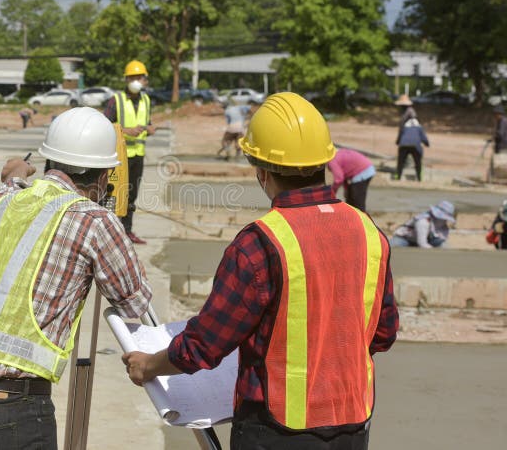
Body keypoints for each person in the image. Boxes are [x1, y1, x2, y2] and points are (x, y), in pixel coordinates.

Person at [123, 92, 398, 450]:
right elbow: (383, 334)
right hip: (353, 427)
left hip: (276, 432)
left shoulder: (260, 243)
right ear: (324, 162)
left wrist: (148, 366)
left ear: (262, 171)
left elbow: (204, 345)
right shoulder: (369, 233)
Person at [0, 107, 152, 450]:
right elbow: (134, 300)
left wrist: (19, 172)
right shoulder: (94, 220)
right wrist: (112, 224)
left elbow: (9, 180)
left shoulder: (5, 200)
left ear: (51, 161)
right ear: (102, 177)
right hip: (14, 409)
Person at [103, 59, 156, 245]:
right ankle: (109, 232)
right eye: (132, 77)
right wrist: (125, 131)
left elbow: (147, 122)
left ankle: (126, 231)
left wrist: (150, 128)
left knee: (131, 195)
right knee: (114, 194)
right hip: (119, 157)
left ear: (145, 80)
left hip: (138, 154)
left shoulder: (147, 100)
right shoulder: (115, 100)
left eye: (138, 77)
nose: (135, 80)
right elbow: (103, 125)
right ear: (126, 80)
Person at [391, 200, 456, 248]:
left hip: (427, 241)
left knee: (444, 246)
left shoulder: (441, 225)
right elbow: (422, 243)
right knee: (390, 248)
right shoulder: (423, 221)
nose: (445, 220)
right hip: (405, 239)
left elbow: (442, 238)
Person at [395, 115, 429, 181]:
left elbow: (399, 139)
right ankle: (419, 179)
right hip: (415, 146)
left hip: (403, 145)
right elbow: (424, 139)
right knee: (418, 163)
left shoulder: (404, 127)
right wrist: (427, 144)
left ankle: (397, 177)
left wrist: (398, 142)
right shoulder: (419, 127)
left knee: (400, 162)